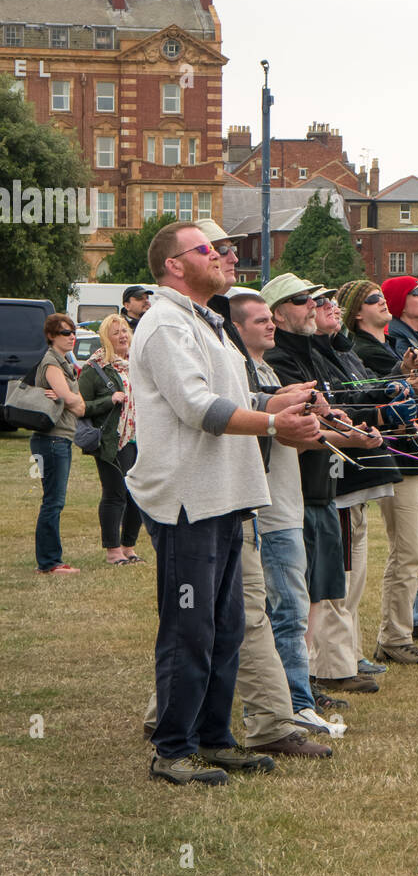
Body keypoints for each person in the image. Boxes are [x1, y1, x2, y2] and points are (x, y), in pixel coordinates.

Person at [127, 220, 325, 787]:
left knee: (225, 627)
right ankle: (172, 750)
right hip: (187, 502)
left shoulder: (206, 321)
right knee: (188, 630)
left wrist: (277, 398)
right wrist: (272, 421)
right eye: (209, 249)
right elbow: (196, 408)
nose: (224, 256)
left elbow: (228, 398)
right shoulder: (166, 323)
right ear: (174, 264)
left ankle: (214, 740)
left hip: (225, 498)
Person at [230, 288, 368, 733]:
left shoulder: (269, 368)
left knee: (290, 609)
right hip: (266, 510)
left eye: (270, 319)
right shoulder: (240, 375)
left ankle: (294, 700)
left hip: (288, 505)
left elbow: (299, 435)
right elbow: (261, 428)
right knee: (282, 612)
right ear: (236, 329)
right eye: (258, 321)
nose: (269, 324)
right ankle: (292, 704)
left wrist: (350, 436)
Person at [265, 275, 399, 689]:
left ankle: (316, 678)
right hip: (297, 491)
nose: (315, 305)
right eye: (304, 300)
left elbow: (337, 402)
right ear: (276, 314)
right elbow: (297, 425)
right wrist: (351, 430)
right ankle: (312, 680)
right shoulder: (280, 359)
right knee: (298, 601)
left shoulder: (316, 351)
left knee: (325, 589)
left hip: (324, 486)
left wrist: (356, 418)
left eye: (317, 299)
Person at [348, 277, 418, 643]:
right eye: (373, 299)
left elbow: (416, 387)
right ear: (356, 314)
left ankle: (402, 632)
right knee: (407, 553)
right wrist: (412, 376)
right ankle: (396, 636)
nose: (382, 303)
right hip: (401, 456)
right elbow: (379, 395)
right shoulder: (366, 348)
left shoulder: (390, 344)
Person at [78, 314, 142, 565]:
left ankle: (129, 546)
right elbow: (81, 407)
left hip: (139, 439)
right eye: (116, 333)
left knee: (137, 495)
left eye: (125, 330)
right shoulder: (94, 369)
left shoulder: (137, 364)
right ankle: (113, 550)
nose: (123, 336)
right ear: (106, 338)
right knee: (115, 493)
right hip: (111, 440)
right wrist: (109, 400)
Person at [30, 313, 87, 575]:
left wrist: (71, 399)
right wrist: (71, 399)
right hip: (52, 440)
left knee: (54, 500)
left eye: (73, 332)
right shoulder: (52, 363)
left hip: (60, 438)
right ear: (51, 336)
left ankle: (50, 559)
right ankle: (50, 562)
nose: (72, 337)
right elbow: (72, 401)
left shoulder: (64, 362)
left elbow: (80, 405)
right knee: (53, 501)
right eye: (65, 333)